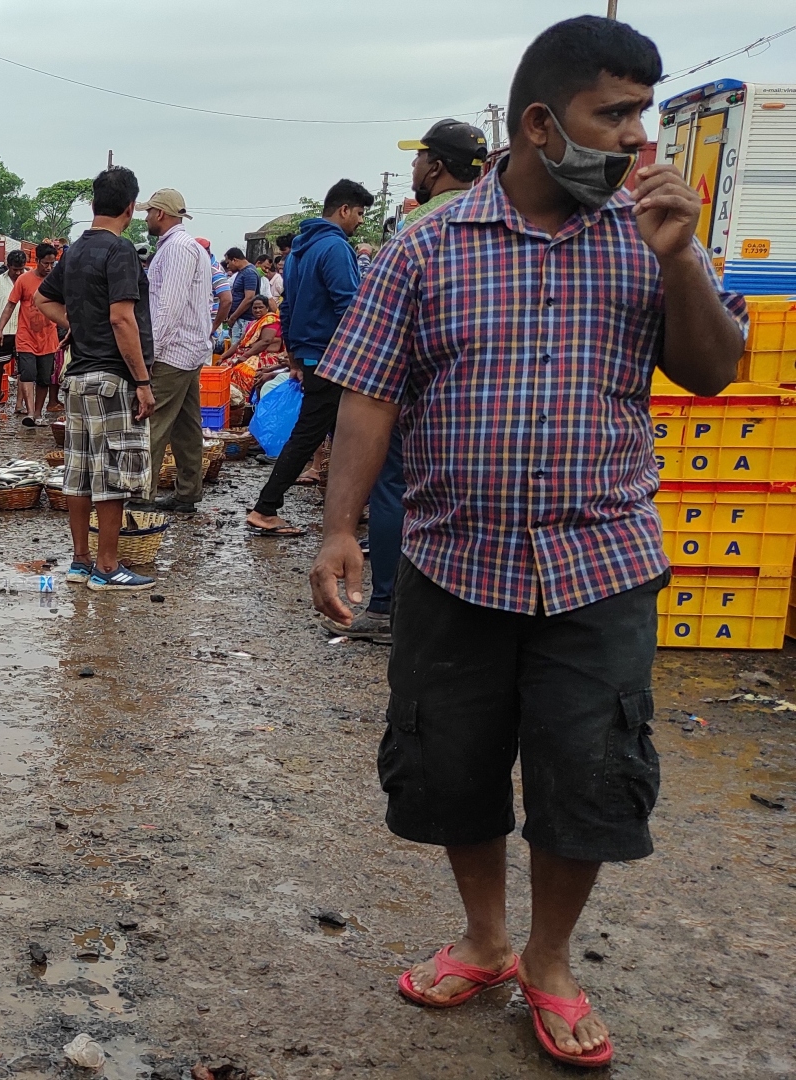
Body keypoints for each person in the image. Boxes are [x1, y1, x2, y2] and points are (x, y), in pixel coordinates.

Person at [308, 18, 746, 1069]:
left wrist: (680, 265)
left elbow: (711, 373)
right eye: (615, 114)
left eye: (643, 112)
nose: (637, 138)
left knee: (585, 771)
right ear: (541, 124)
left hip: (600, 565)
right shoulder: (425, 246)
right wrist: (338, 530)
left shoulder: (650, 233)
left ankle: (547, 960)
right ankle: (484, 938)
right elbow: (368, 394)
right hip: (455, 561)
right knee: (450, 762)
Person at [331, 118, 491, 643]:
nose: (414, 167)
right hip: (475, 411)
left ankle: (384, 604)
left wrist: (337, 528)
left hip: (412, 395)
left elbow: (372, 365)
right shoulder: (501, 226)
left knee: (391, 491)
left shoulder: (416, 233)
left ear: (436, 167)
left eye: (419, 159)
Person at [35, 166, 157, 592]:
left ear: (92, 204)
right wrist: (143, 381)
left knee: (80, 472)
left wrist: (77, 324)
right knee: (113, 473)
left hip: (78, 378)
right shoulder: (119, 251)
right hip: (113, 379)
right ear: (131, 207)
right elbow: (122, 319)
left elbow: (42, 298)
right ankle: (107, 566)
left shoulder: (75, 251)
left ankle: (80, 561)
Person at [244, 178, 373, 536]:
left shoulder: (298, 252)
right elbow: (348, 306)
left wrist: (296, 356)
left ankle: (354, 506)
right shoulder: (335, 247)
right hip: (333, 357)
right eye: (359, 213)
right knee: (310, 433)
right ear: (344, 210)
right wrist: (363, 354)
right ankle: (265, 508)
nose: (360, 220)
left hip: (312, 356)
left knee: (340, 430)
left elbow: (287, 309)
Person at [142, 188, 212, 514]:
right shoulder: (186, 247)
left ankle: (140, 493)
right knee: (186, 426)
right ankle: (187, 491)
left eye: (148, 212)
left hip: (172, 351)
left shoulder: (177, 249)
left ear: (160, 213)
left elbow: (168, 307)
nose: (146, 218)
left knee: (152, 424)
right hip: (188, 349)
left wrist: (150, 354)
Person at [0, 241, 57, 426]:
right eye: (45, 263)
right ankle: (30, 413)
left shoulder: (56, 280)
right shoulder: (24, 280)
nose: (49, 267)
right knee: (28, 374)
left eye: (52, 263)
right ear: (37, 261)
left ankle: (38, 413)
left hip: (48, 337)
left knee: (44, 378)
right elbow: (10, 306)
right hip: (26, 337)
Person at [223, 295, 286, 395]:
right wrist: (222, 357)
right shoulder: (252, 323)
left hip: (265, 357)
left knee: (242, 372)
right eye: (255, 308)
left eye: (261, 307)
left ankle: (245, 400)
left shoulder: (270, 320)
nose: (257, 310)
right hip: (250, 354)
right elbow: (240, 342)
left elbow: (266, 341)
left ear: (267, 308)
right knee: (224, 367)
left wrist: (245, 356)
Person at [0, 249, 23, 376]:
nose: (18, 273)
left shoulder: (28, 279)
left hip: (24, 332)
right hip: (3, 332)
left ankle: (20, 390)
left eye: (21, 269)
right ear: (8, 266)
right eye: (15, 269)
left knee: (24, 369)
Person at [218, 247, 260, 336]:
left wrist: (233, 317)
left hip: (244, 320)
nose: (227, 266)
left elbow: (249, 298)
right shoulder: (243, 272)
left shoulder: (249, 273)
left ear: (234, 260)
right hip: (240, 319)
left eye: (228, 263)